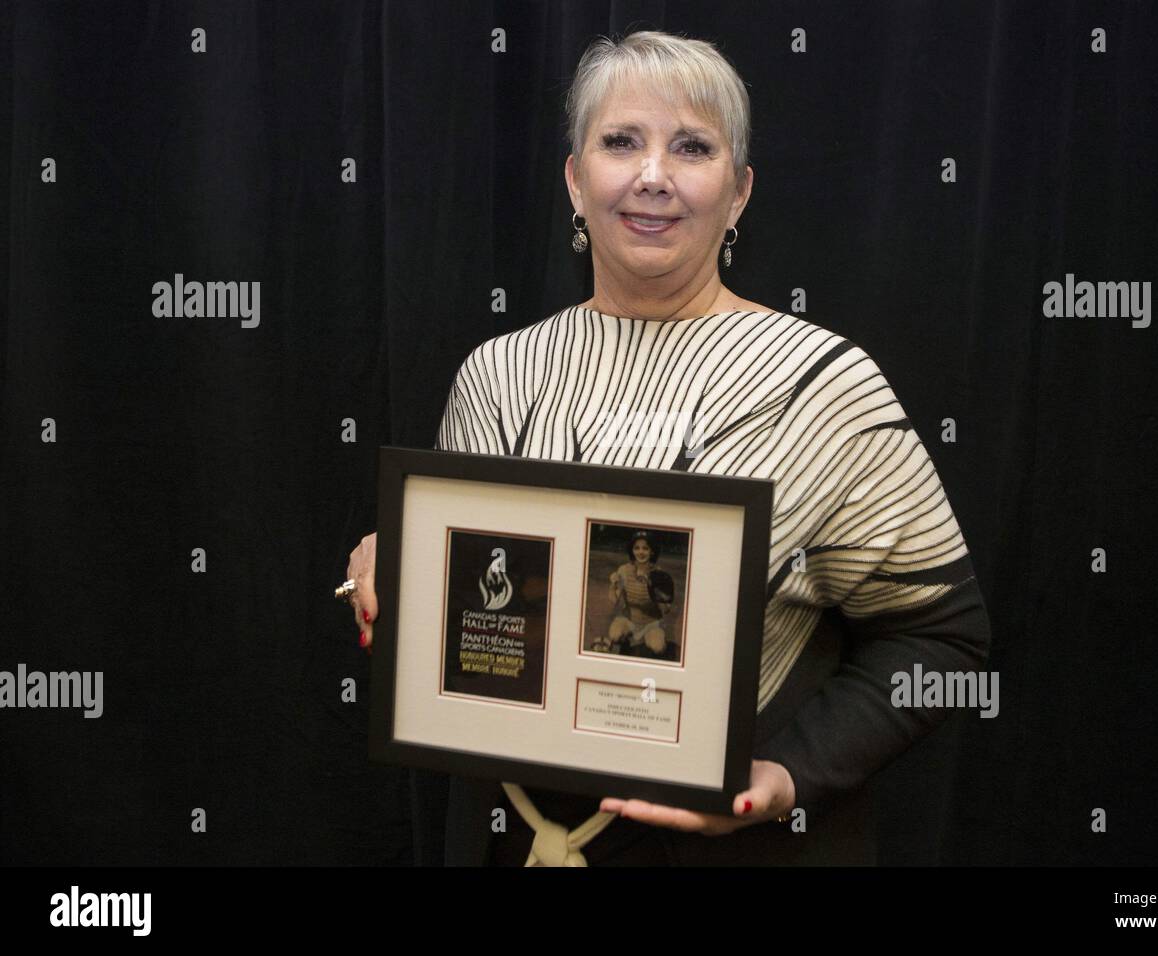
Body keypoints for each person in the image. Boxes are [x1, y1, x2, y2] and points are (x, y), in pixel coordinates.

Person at [345, 29, 992, 866]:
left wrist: (789, 779)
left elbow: (940, 640)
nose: (653, 175)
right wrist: (394, 569)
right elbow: (480, 627)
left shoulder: (826, 384)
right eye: (621, 143)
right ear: (577, 182)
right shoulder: (497, 376)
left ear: (740, 193)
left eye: (692, 147)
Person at [598, 532, 676, 659]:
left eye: (645, 548)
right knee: (614, 634)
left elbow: (666, 610)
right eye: (637, 548)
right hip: (629, 620)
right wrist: (613, 585)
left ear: (652, 551)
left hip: (650, 624)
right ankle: (628, 642)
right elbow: (614, 600)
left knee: (658, 647)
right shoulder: (624, 570)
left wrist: (657, 596)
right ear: (632, 550)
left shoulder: (658, 575)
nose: (641, 552)